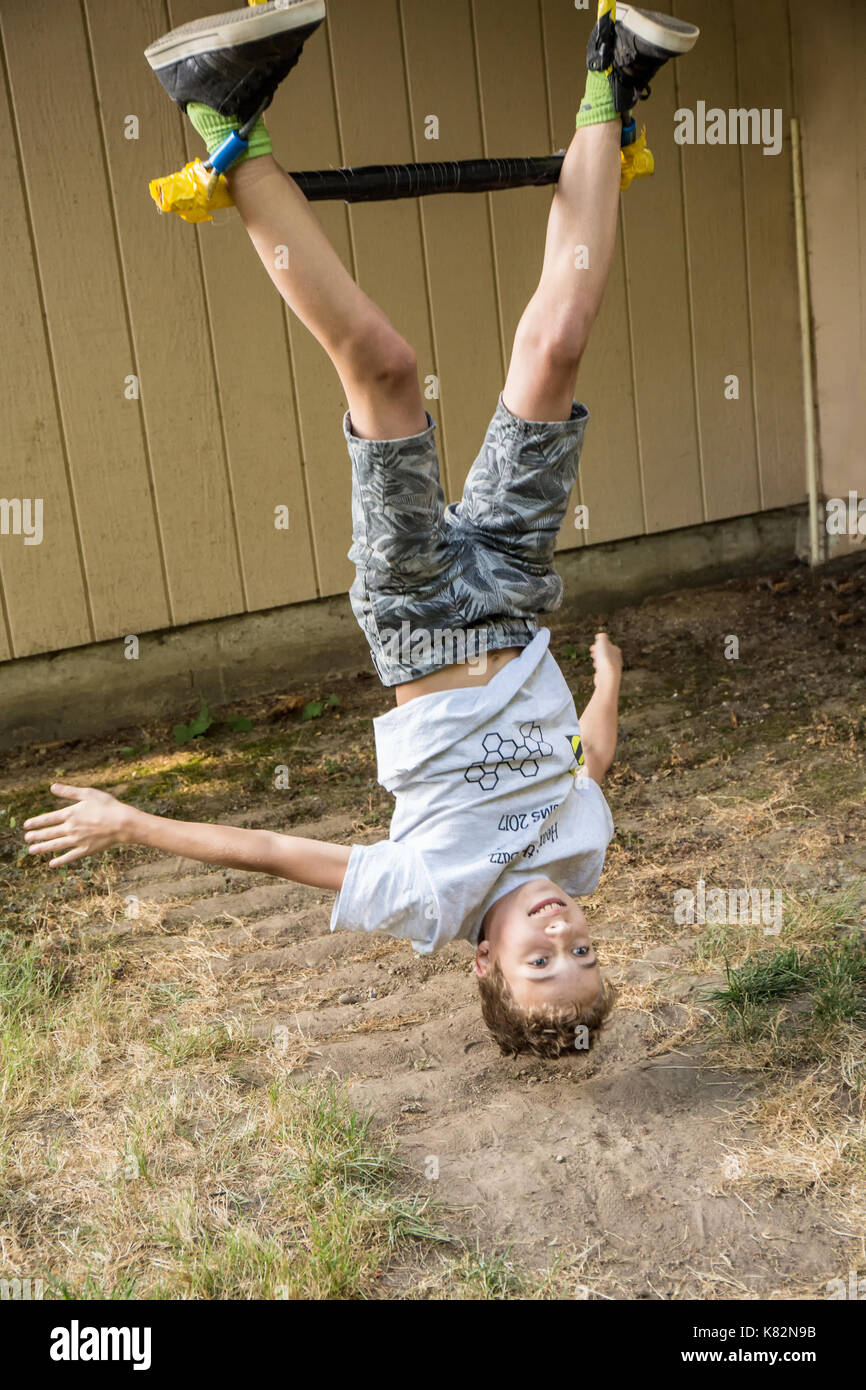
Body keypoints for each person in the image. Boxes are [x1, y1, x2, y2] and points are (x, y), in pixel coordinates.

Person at [23, 1, 699, 1057]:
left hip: (421, 619)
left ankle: (214, 115)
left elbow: (270, 848)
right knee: (558, 346)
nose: (564, 934)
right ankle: (607, 83)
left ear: (483, 961)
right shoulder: (580, 857)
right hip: (520, 598)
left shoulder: (426, 895)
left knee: (383, 370)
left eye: (540, 962)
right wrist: (605, 686)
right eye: (584, 953)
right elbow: (587, 768)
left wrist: (133, 823)